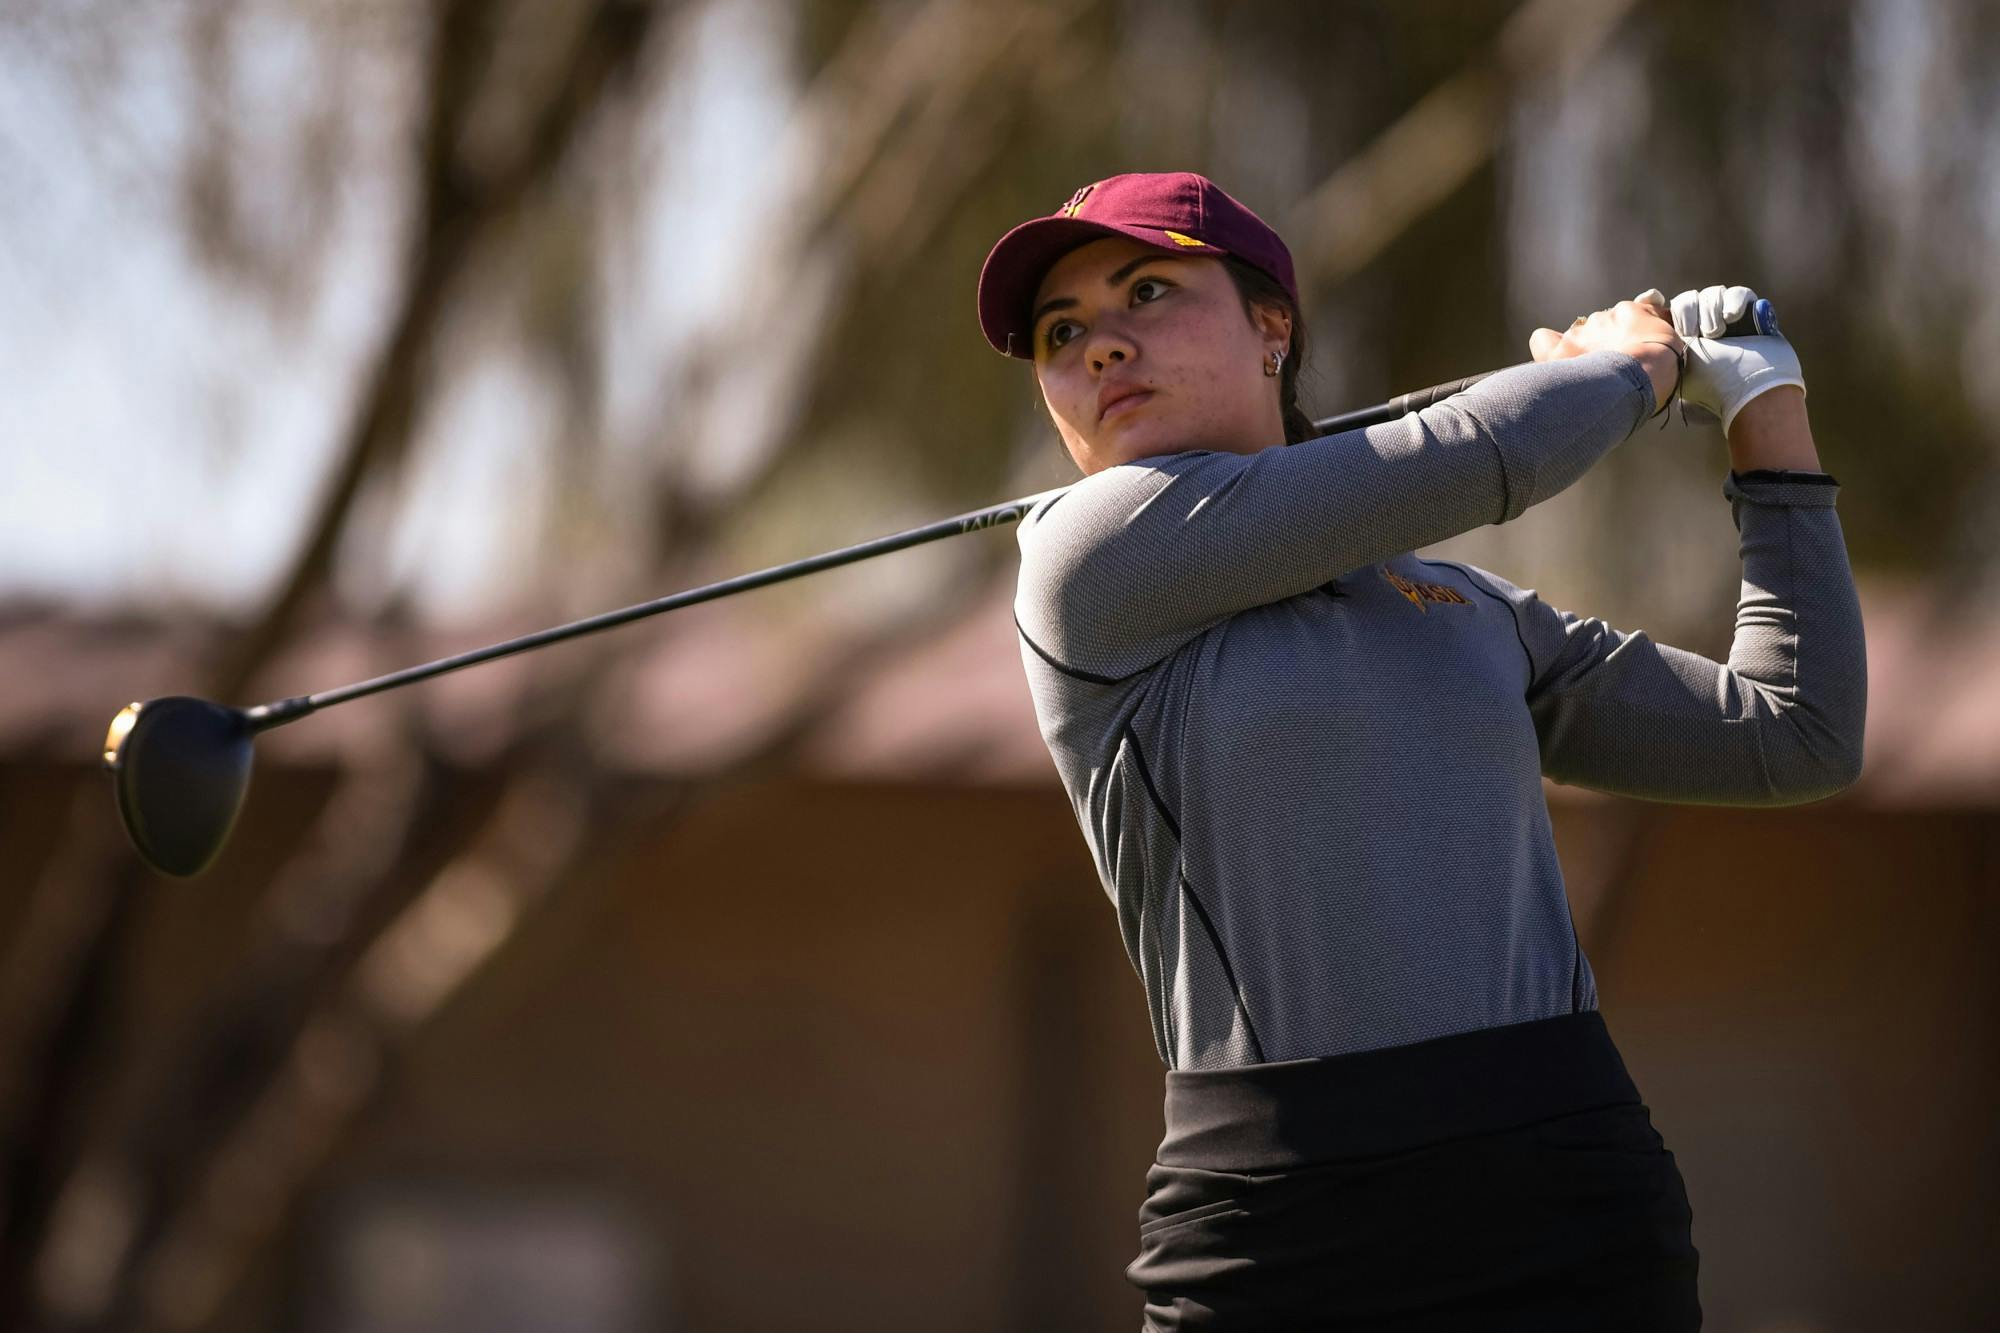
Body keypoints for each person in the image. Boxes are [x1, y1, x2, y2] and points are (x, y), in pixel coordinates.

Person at [975, 171, 1866, 1330]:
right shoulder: (1081, 563)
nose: (1099, 346)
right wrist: (1630, 364)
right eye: (1061, 331)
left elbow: (1789, 735)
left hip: (1569, 1195)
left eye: (1147, 290)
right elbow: (1472, 453)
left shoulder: (1460, 606)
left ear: (1271, 327)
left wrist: (1764, 410)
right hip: (1284, 1223)